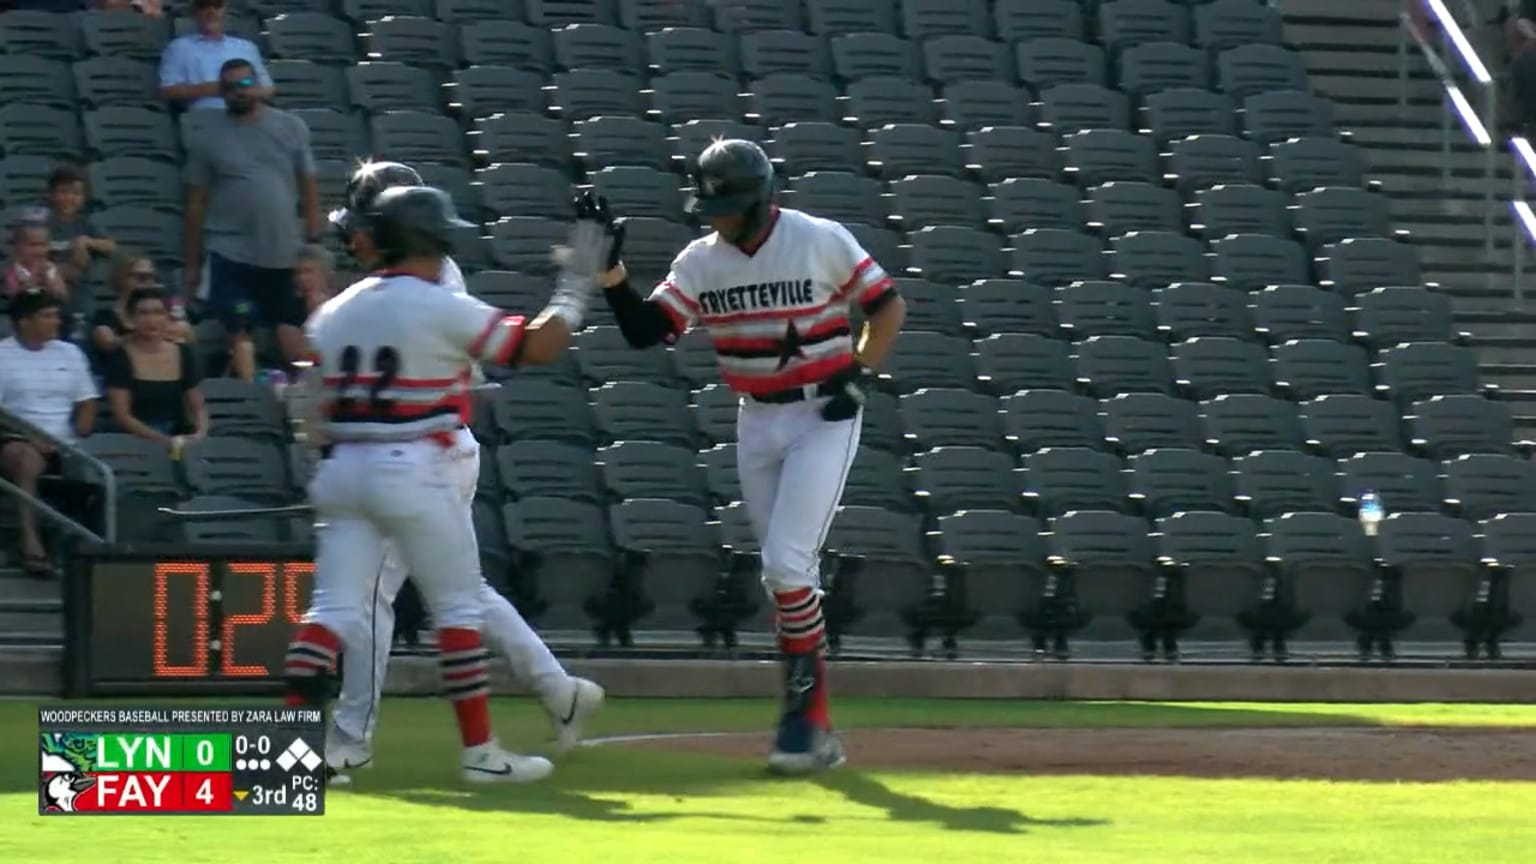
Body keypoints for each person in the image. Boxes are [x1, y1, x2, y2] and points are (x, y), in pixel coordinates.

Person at [592, 139, 906, 776]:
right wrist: (611, 275)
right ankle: (814, 727)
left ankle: (802, 721)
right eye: (713, 206)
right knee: (783, 576)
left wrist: (862, 373)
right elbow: (647, 331)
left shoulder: (818, 238)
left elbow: (886, 305)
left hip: (822, 412)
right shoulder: (701, 260)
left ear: (761, 201)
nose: (719, 218)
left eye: (729, 206)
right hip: (757, 417)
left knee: (789, 563)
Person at [284, 183, 610, 783]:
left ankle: (295, 758)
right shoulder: (438, 303)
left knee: (331, 611)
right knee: (458, 605)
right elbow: (534, 346)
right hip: (413, 463)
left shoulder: (333, 310)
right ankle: (481, 754)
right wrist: (577, 284)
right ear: (429, 239)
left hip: (341, 468)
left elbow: (309, 411)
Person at [182, 57, 320, 382]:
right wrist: (192, 263)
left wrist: (314, 229)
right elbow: (196, 201)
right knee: (240, 329)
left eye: (243, 84)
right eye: (228, 87)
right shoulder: (206, 137)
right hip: (231, 255)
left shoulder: (291, 127)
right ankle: (251, 404)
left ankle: (299, 406)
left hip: (283, 251)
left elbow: (308, 181)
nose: (237, 92)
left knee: (292, 337)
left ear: (257, 84)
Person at [0, 289, 98, 578]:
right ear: (23, 321)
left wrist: (81, 433)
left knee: (106, 462)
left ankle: (86, 547)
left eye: (56, 315)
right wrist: (30, 437)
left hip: (67, 442)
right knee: (27, 460)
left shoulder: (70, 352)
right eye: (48, 316)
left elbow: (87, 402)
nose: (57, 321)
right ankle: (29, 541)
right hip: (16, 437)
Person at [101, 289, 208, 455]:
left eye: (158, 313)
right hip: (135, 441)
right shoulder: (120, 357)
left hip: (178, 437)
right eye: (143, 313)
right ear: (131, 319)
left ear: (167, 317)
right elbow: (122, 416)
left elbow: (197, 406)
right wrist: (163, 441)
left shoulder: (183, 352)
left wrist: (199, 435)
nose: (151, 320)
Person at [158, 0, 270, 111]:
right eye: (204, 6)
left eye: (217, 5)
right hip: (206, 118)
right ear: (194, 13)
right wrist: (208, 89)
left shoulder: (246, 47)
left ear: (225, 11)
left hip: (248, 115)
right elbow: (166, 91)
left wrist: (241, 90)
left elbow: (268, 88)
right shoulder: (178, 48)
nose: (211, 11)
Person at [90, 253, 189, 362]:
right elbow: (108, 342)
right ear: (120, 278)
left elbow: (187, 335)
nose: (147, 282)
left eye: (152, 277)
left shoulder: (166, 312)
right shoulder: (104, 317)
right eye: (140, 277)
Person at [45, 165, 116, 294]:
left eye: (76, 193)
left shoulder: (85, 224)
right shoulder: (42, 223)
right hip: (49, 290)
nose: (69, 198)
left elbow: (111, 246)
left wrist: (85, 241)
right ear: (52, 195)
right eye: (63, 192)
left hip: (81, 292)